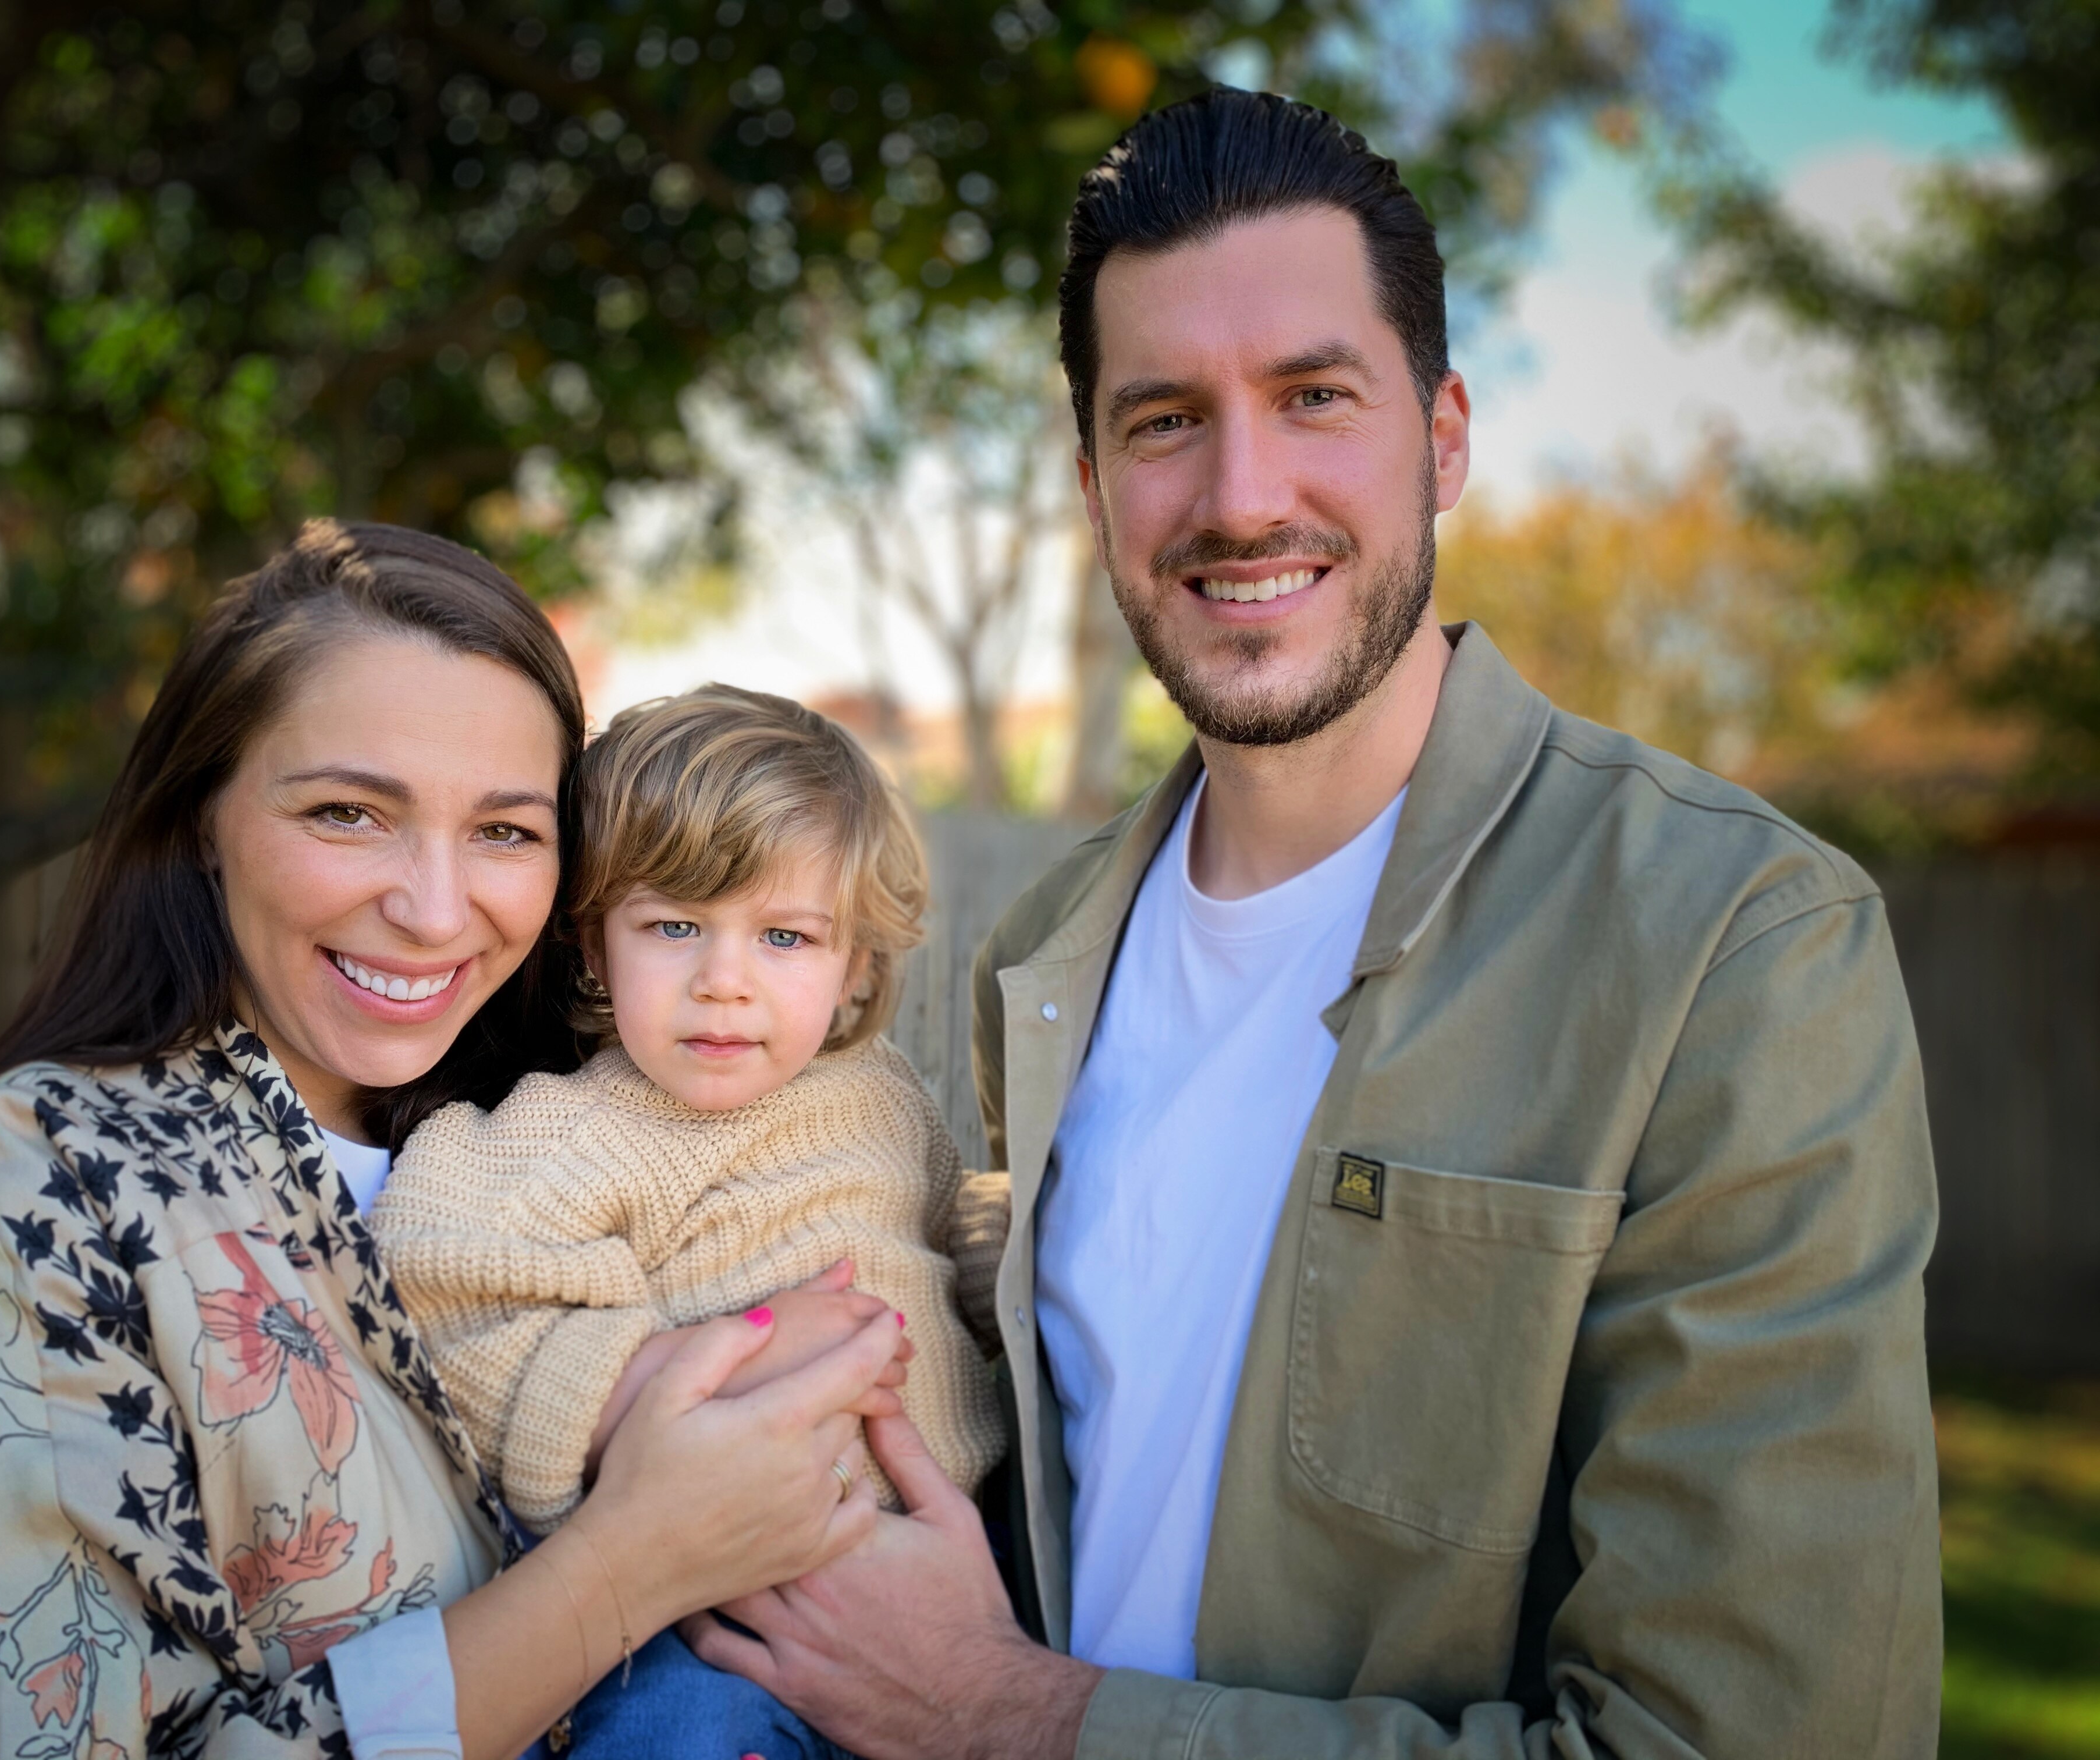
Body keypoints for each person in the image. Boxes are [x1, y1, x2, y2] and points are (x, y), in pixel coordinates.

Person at [681, 89, 1945, 1758]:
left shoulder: (1737, 944)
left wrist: (1012, 1719)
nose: (1241, 493)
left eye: (1313, 397)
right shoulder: (1042, 956)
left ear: (1445, 434)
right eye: (1162, 421)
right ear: (1091, 481)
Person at [0, 522, 907, 1760]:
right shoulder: (31, 1194)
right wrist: (628, 1568)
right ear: (206, 819)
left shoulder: (582, 1144)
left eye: (505, 831)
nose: (430, 906)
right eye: (350, 812)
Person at [372, 682, 1009, 1760]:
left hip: (943, 1589)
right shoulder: (575, 1134)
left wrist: (1020, 1275)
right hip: (706, 1631)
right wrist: (689, 1370)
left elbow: (950, 1232)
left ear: (855, 964)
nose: (725, 983)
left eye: (786, 938)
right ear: (592, 946)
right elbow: (452, 1283)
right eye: (674, 926)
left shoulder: (884, 1097)